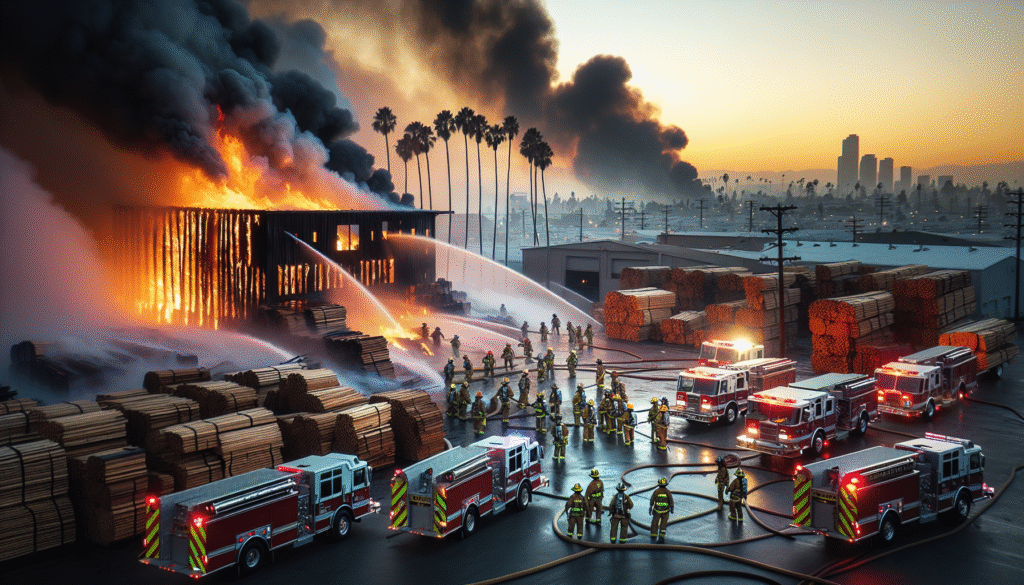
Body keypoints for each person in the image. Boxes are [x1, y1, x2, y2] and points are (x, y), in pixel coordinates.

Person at [649, 477, 674, 543]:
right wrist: (672, 508)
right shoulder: (667, 491)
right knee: (663, 524)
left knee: (655, 522)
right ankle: (661, 536)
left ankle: (653, 534)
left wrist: (650, 507)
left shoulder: (656, 491)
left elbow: (652, 499)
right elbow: (671, 500)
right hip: (665, 511)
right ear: (666, 484)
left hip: (657, 510)